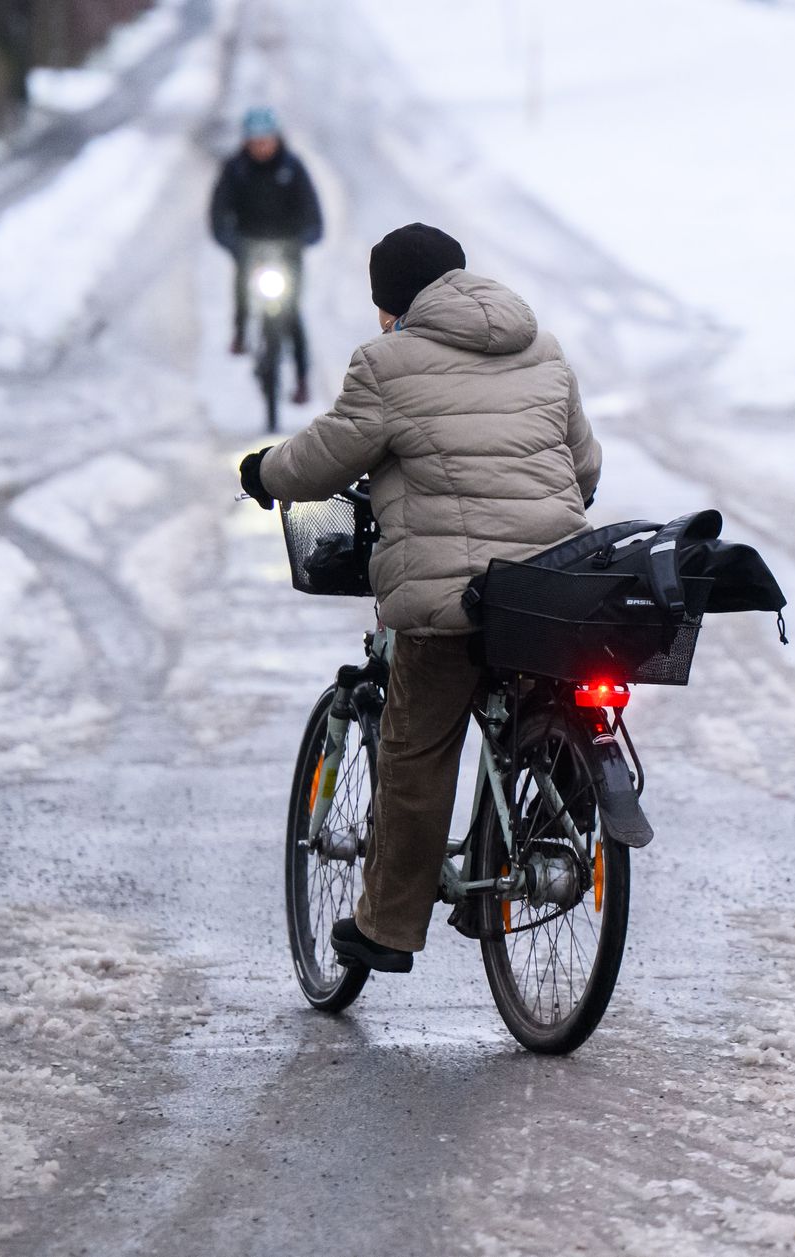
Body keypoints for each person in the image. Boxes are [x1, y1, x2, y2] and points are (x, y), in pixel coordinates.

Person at [238, 223, 602, 973]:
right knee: (541, 694)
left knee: (416, 746)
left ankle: (387, 926)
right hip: (553, 589)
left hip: (453, 599)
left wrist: (263, 472)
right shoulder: (542, 347)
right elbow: (585, 467)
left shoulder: (386, 363)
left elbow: (323, 458)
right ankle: (540, 837)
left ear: (390, 304)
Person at [209, 106, 324, 404]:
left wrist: (308, 235)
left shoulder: (293, 168)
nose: (261, 147)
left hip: (288, 250)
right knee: (242, 290)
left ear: (276, 139)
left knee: (292, 313)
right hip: (250, 247)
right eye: (255, 141)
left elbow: (312, 210)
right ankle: (240, 333)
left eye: (266, 140)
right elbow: (219, 211)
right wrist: (229, 240)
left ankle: (301, 381)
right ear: (246, 142)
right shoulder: (235, 169)